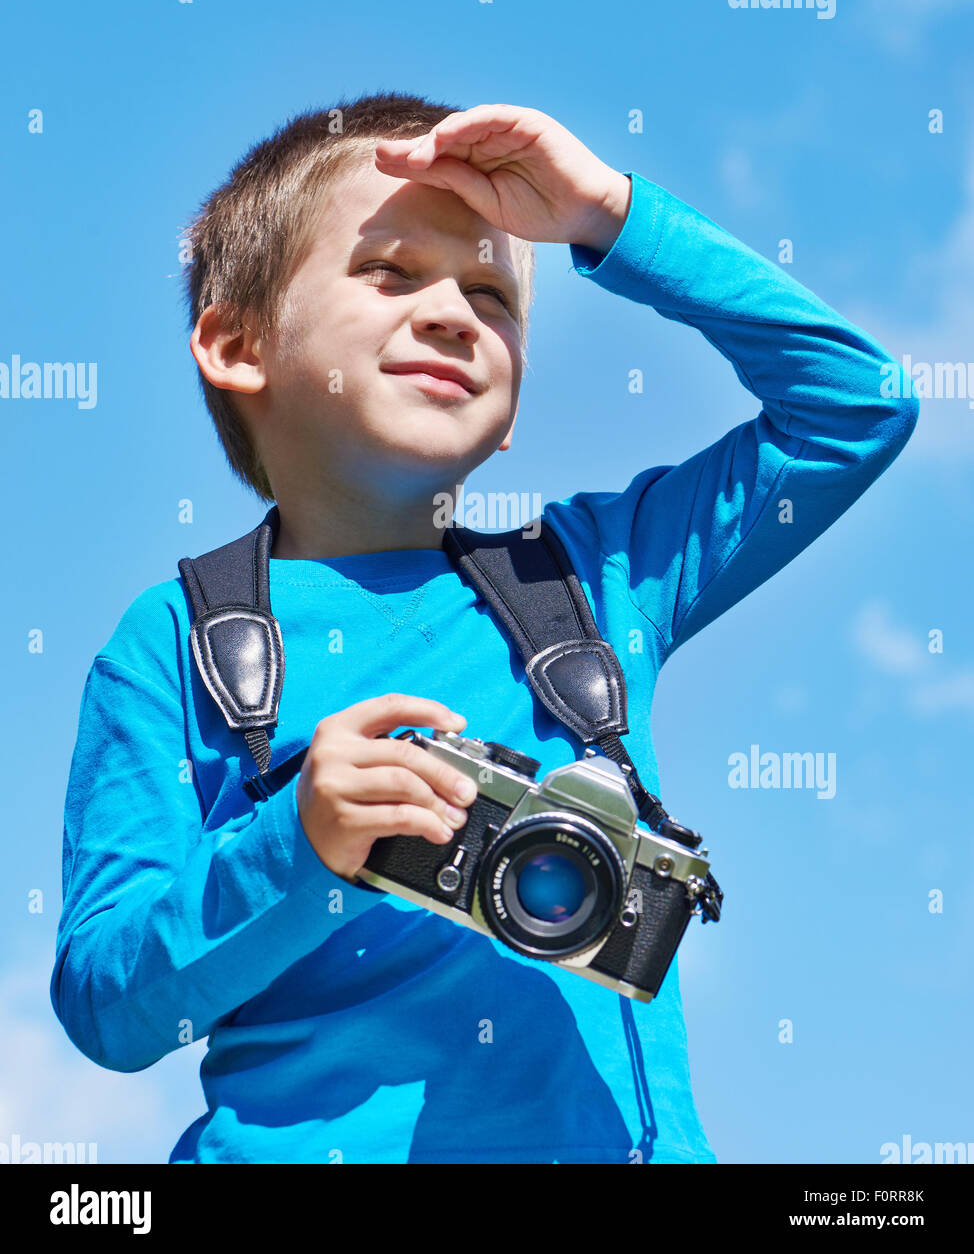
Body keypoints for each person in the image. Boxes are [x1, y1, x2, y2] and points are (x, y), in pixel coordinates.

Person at [50, 94, 919, 1164]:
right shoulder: (178, 640)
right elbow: (108, 1007)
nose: (456, 315)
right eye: (392, 273)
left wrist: (609, 214)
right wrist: (301, 843)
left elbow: (855, 405)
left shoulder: (593, 580)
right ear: (236, 343)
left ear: (509, 418)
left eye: (493, 294)